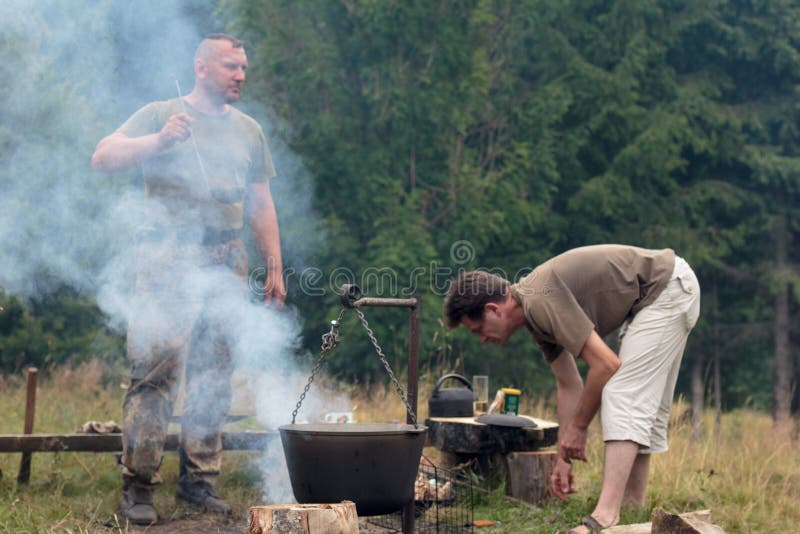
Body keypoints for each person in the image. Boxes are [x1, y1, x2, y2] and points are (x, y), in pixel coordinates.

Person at [92, 34, 286, 525]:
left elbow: (261, 203)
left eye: (244, 67)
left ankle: (199, 482)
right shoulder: (162, 114)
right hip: (167, 253)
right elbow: (103, 157)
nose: (241, 75)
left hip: (226, 255)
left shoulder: (248, 130)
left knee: (214, 372)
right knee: (155, 372)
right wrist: (159, 141)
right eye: (230, 66)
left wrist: (275, 266)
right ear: (201, 68)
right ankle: (138, 485)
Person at [444, 245, 700, 533]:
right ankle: (630, 509)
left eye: (478, 330)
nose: (481, 340)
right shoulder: (533, 314)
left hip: (666, 289)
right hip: (663, 292)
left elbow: (605, 364)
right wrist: (563, 460)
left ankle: (605, 516)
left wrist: (578, 428)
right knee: (638, 404)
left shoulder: (539, 300)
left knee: (622, 395)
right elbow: (568, 383)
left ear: (493, 309)